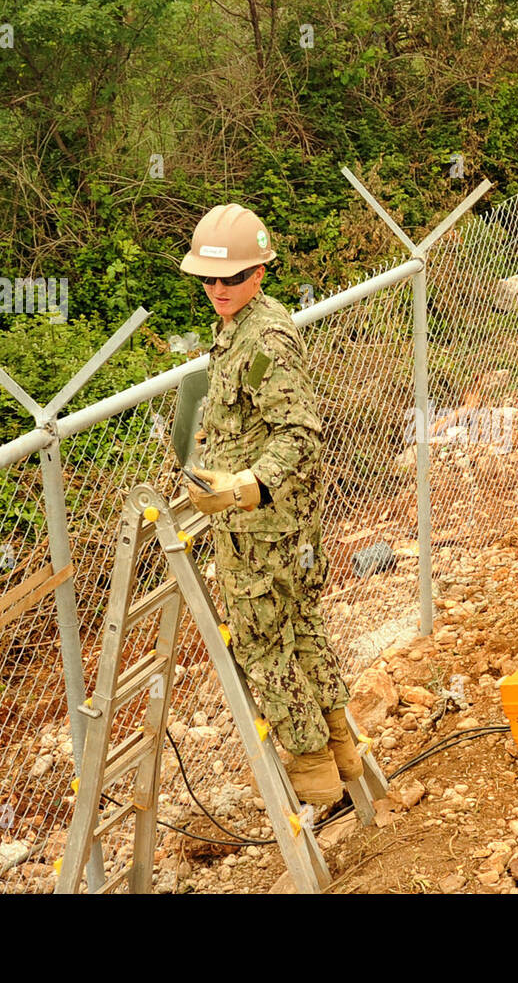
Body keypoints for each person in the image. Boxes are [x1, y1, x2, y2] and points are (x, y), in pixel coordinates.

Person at [178, 203, 360, 807]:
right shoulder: (242, 326)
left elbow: (299, 433)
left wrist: (248, 484)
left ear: (259, 272)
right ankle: (341, 748)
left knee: (262, 643)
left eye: (231, 277)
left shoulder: (265, 338)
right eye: (208, 278)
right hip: (275, 521)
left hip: (262, 525)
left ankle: (313, 773)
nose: (218, 289)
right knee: (300, 625)